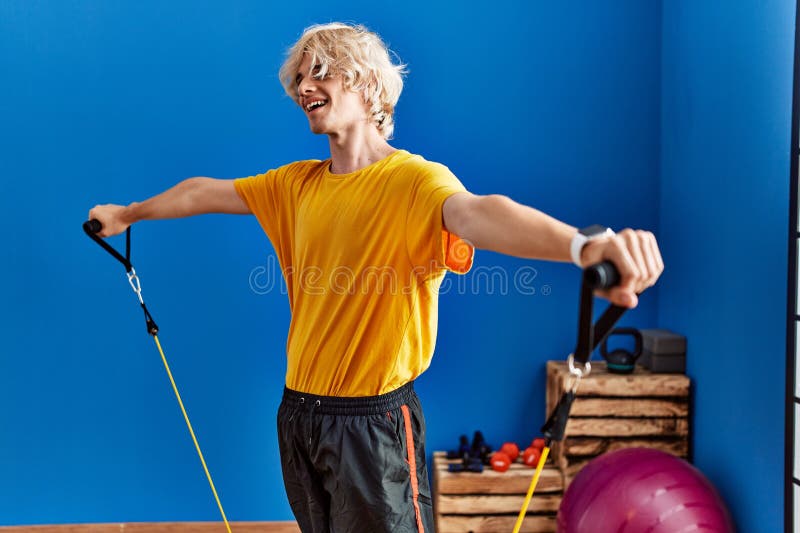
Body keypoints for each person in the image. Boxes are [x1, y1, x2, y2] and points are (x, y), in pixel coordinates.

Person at [88, 22, 664, 533]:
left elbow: (483, 213)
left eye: (320, 73)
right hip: (299, 415)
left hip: (373, 425)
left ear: (365, 85)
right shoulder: (294, 185)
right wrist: (129, 213)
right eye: (298, 81)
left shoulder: (415, 181)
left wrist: (582, 246)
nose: (303, 88)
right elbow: (203, 191)